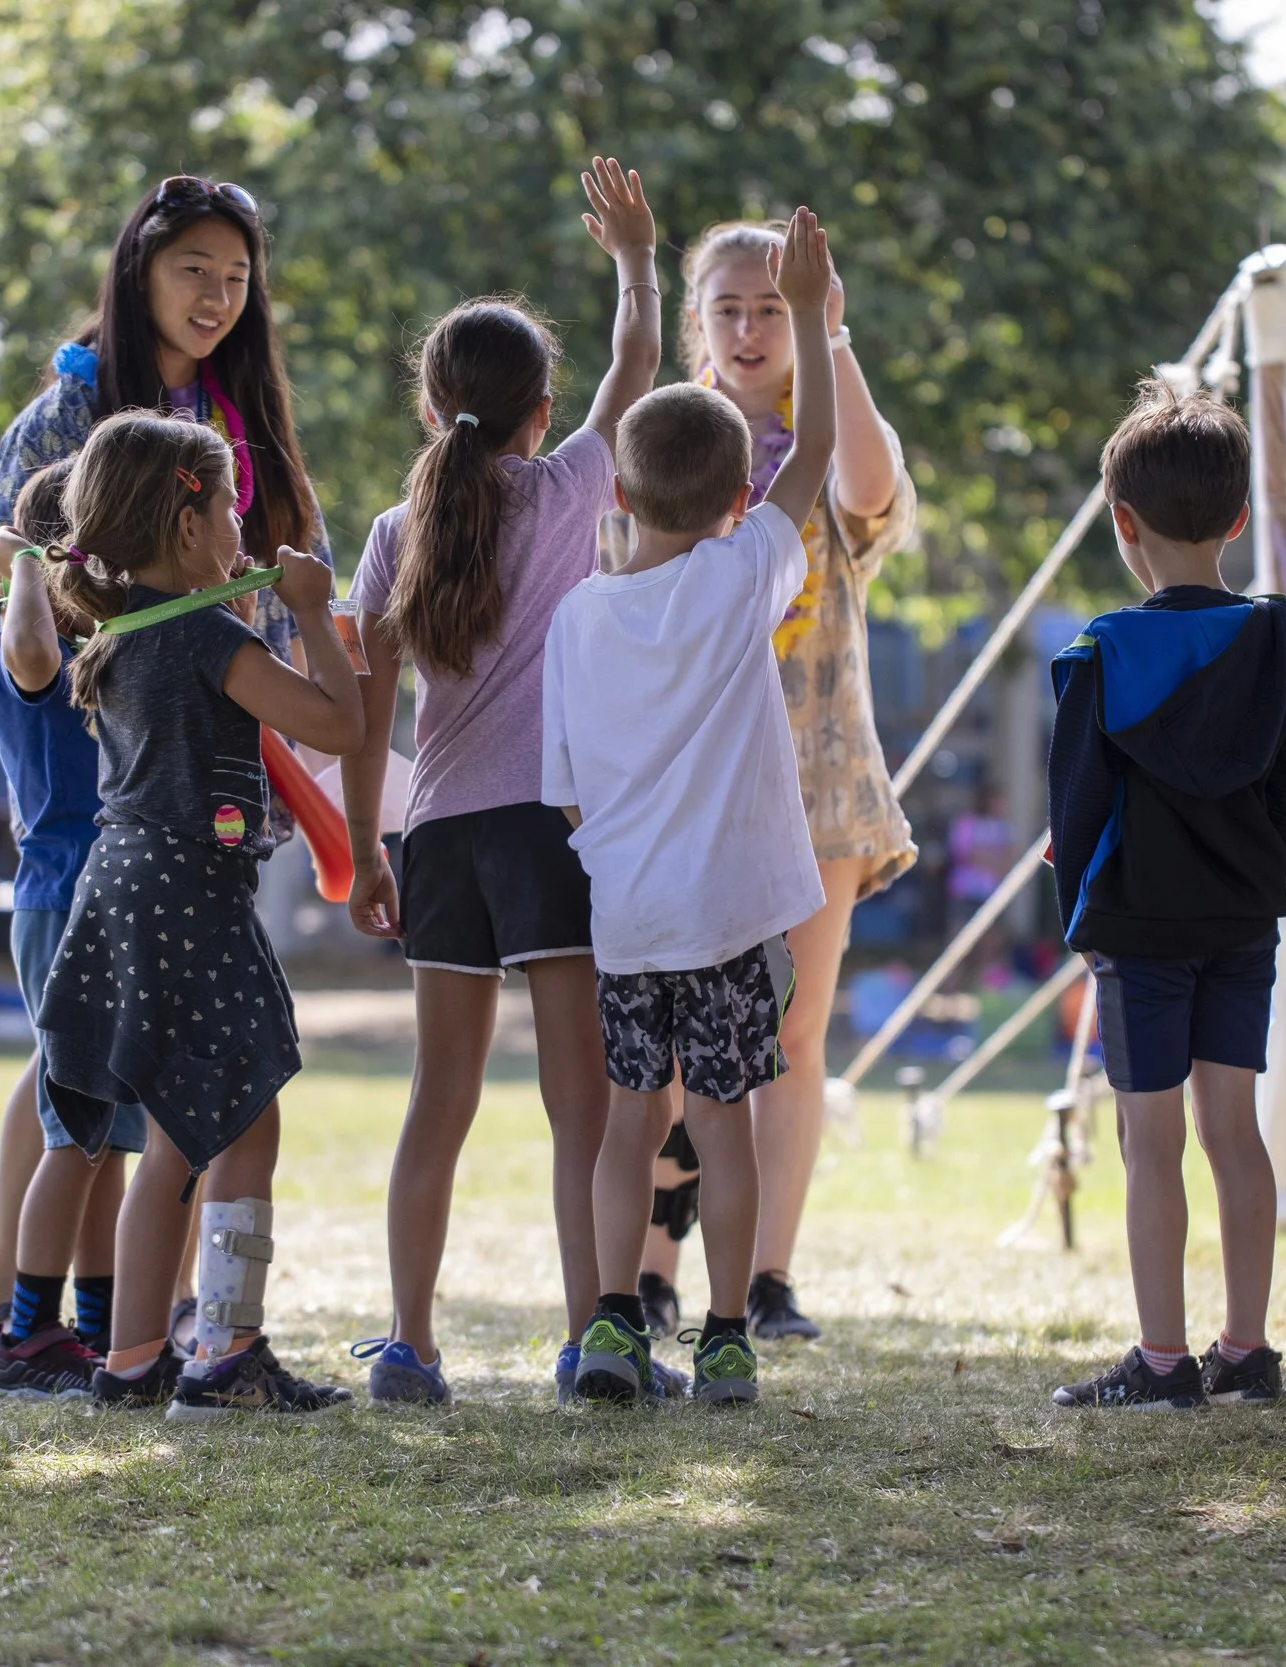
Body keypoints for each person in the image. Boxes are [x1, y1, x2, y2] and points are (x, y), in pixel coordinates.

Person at [0, 172, 322, 1361]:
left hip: (204, 773)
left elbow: (264, 595)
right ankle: (20, 1310)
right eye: (192, 271)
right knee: (76, 1063)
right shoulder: (66, 421)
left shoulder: (237, 419)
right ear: (137, 274)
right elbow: (16, 620)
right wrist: (68, 772)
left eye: (235, 276)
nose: (217, 295)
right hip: (102, 791)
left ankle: (121, 1323)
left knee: (125, 1068)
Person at [338, 158, 666, 1405]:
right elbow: (636, 369)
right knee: (578, 1104)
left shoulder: (390, 531)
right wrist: (635, 260)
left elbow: (371, 704)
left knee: (440, 1101)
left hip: (440, 833)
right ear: (541, 411)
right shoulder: (564, 485)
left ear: (433, 410)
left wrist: (375, 846)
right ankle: (594, 1336)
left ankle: (410, 1346)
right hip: (548, 830)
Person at [545, 206, 841, 1406]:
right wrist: (815, 324)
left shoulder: (576, 616)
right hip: (730, 917)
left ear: (615, 486)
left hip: (629, 920)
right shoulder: (743, 573)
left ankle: (615, 1323)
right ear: (738, 500)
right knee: (726, 1122)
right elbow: (811, 455)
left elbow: (563, 794)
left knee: (631, 1121)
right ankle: (725, 1331)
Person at [36, 412, 366, 1419]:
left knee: (177, 1130)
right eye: (227, 504)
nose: (241, 525)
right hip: (189, 891)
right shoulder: (206, 633)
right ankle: (224, 1351)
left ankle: (137, 1361)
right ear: (186, 526)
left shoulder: (117, 632)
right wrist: (311, 612)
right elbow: (337, 724)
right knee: (242, 1116)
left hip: (123, 883)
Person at [632, 213, 920, 1344]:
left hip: (817, 775)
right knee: (662, 1039)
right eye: (727, 308)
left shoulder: (822, 419)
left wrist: (829, 331)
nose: (750, 329)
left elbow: (867, 484)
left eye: (769, 306)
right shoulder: (665, 438)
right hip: (691, 778)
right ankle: (652, 1268)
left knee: (791, 1039)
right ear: (696, 320)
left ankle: (766, 1276)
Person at [1044, 382, 1286, 1411]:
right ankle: (1245, 1351)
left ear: (1123, 523)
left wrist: (1082, 909)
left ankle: (1161, 1362)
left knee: (1146, 1140)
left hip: (1139, 930)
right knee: (1232, 1130)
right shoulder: (1278, 650)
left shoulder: (1097, 656)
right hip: (1242, 922)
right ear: (1239, 517)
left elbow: (1074, 812)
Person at [0, 462, 139, 1400]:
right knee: (74, 1133)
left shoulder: (111, 646)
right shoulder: (23, 644)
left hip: (107, 900)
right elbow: (31, 653)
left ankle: (97, 1332)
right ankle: (24, 1340)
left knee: (106, 1138)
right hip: (63, 900)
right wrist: (25, 563)